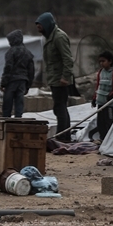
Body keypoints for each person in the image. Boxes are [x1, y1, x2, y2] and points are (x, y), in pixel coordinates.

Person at [36, 12, 73, 140]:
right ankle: (64, 135)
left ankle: (63, 137)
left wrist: (65, 77)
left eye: (40, 26)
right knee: (59, 108)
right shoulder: (49, 37)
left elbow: (67, 59)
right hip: (54, 78)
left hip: (60, 79)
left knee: (60, 107)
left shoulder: (59, 37)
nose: (39, 29)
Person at [0, 29, 35, 118]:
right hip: (23, 81)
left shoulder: (11, 52)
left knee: (8, 103)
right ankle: (18, 121)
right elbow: (31, 71)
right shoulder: (28, 53)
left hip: (11, 81)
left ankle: (6, 121)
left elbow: (8, 67)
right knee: (19, 103)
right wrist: (28, 85)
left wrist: (3, 83)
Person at [91, 50, 113, 141]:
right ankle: (103, 139)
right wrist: (94, 98)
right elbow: (98, 86)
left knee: (110, 121)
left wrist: (111, 97)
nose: (101, 63)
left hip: (109, 103)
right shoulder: (101, 72)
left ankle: (111, 140)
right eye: (100, 61)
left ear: (110, 61)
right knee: (101, 122)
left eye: (103, 61)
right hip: (101, 102)